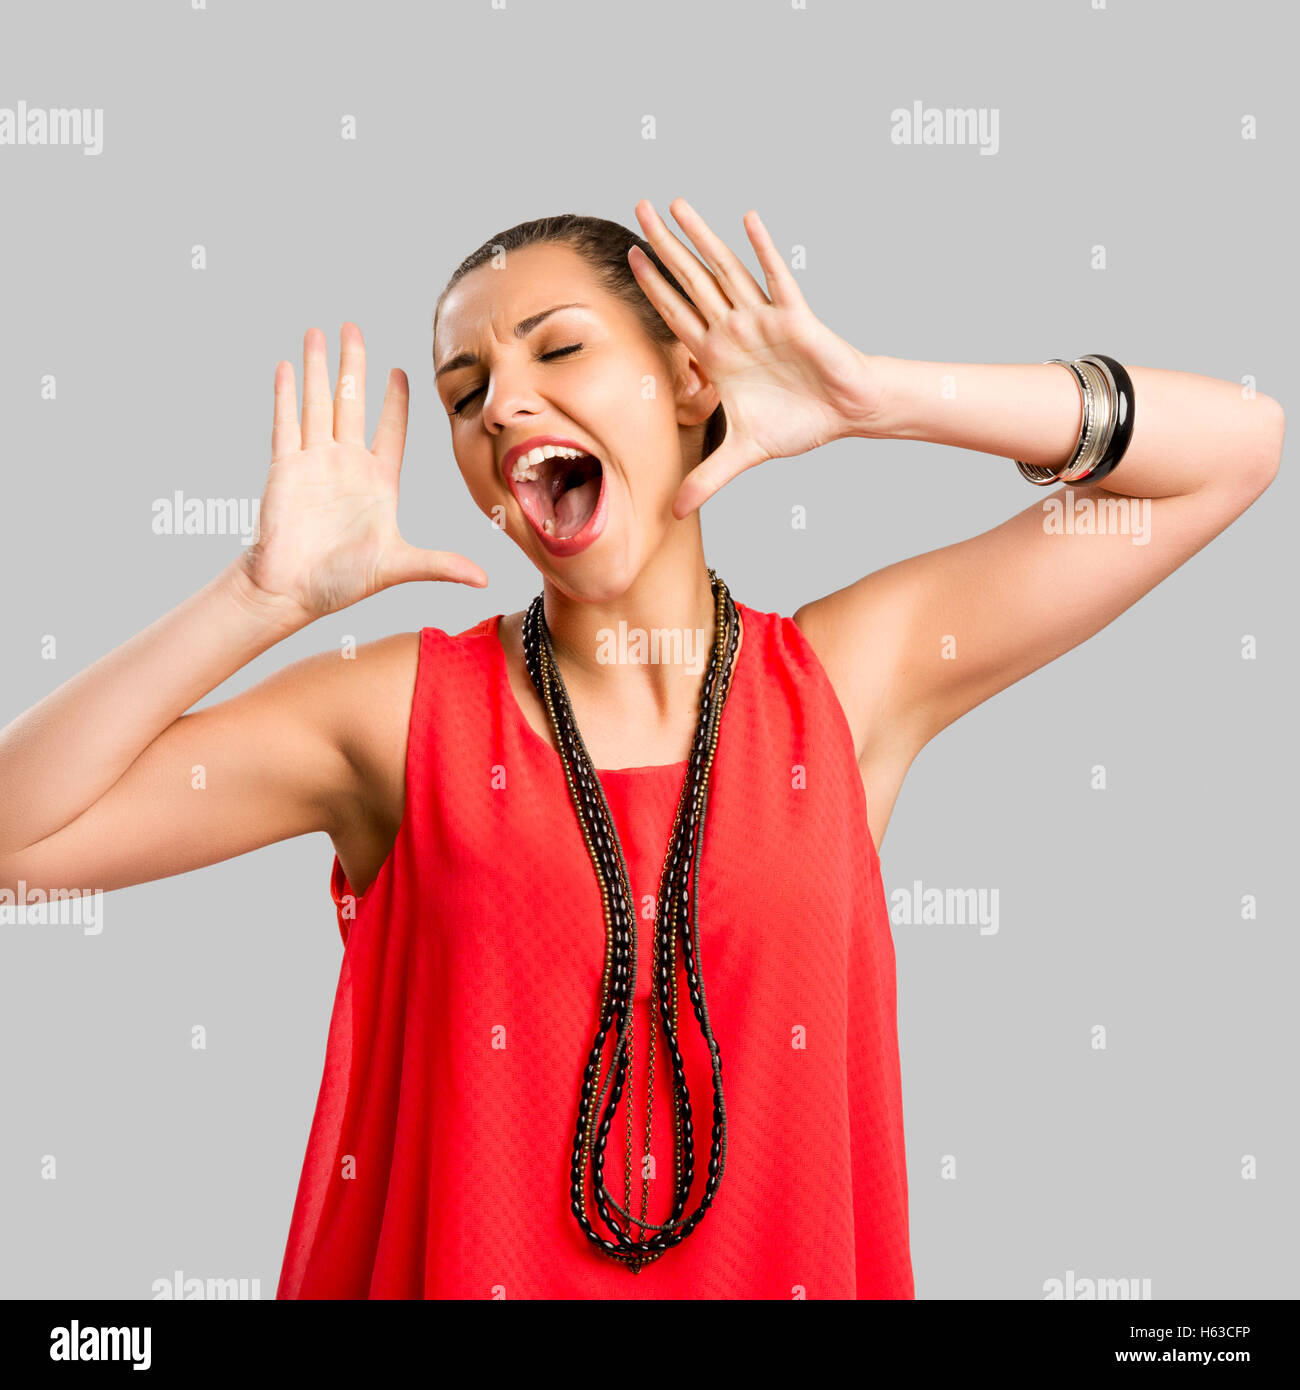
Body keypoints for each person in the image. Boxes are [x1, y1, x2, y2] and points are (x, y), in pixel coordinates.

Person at [0, 198, 1284, 1300]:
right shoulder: (397, 716)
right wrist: (259, 597)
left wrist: (877, 398)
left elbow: (1234, 450)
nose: (502, 405)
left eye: (556, 347)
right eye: (464, 394)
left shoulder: (843, 683)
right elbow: (19, 844)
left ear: (687, 384)